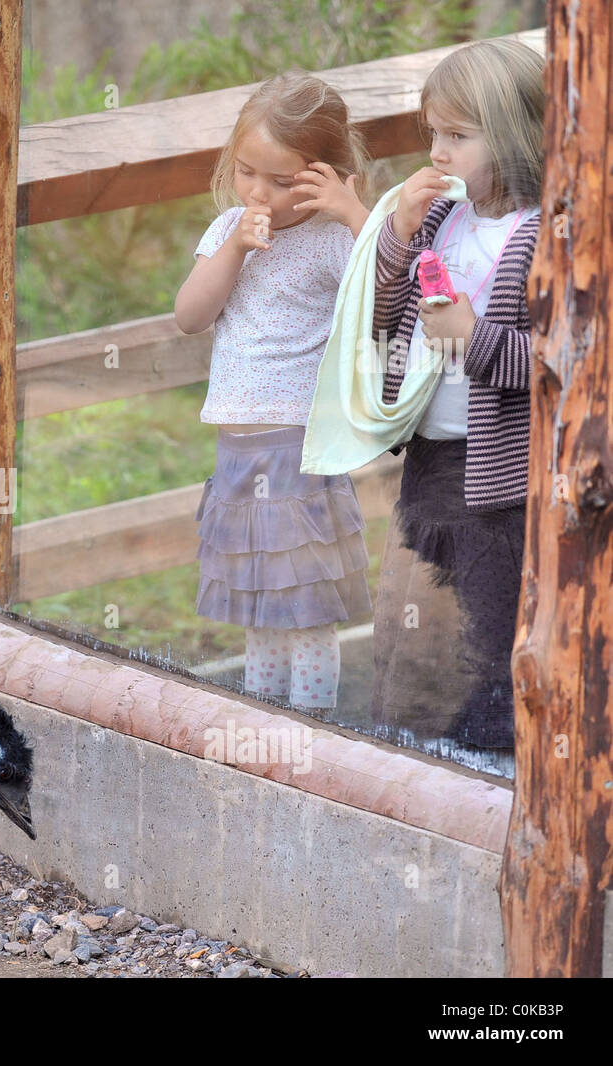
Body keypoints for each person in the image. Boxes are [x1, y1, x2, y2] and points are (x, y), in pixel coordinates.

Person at [368, 38, 544, 771]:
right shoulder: (445, 218)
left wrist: (474, 340)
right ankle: (415, 755)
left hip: (503, 475)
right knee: (420, 626)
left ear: (515, 133)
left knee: (498, 631)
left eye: (459, 136)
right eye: (431, 133)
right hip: (435, 461)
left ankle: (495, 765)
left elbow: (569, 368)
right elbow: (378, 314)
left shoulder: (546, 234)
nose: (438, 152)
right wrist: (396, 236)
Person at [175, 70, 372, 711]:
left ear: (325, 174)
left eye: (282, 181)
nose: (259, 192)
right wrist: (234, 248)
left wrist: (353, 212)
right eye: (246, 172)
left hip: (298, 442)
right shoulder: (228, 231)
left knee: (305, 601)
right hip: (238, 447)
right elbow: (190, 315)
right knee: (260, 599)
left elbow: (385, 292)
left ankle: (312, 723)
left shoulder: (335, 239)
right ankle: (263, 715)